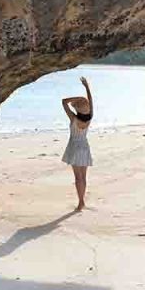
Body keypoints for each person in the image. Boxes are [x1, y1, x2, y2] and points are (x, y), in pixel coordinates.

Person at [61, 76, 94, 211]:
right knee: (83, 177)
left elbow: (64, 102)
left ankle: (80, 202)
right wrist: (86, 87)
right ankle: (82, 201)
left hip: (75, 147)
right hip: (85, 147)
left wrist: (76, 99)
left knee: (77, 177)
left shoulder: (73, 118)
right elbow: (91, 102)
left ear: (77, 109)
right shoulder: (90, 117)